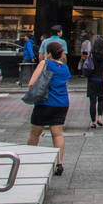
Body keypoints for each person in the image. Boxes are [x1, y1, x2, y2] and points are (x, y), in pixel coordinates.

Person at [27, 43, 70, 175]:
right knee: (57, 133)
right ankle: (59, 163)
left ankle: (29, 159)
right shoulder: (65, 68)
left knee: (35, 133)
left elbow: (31, 83)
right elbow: (65, 84)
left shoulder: (45, 64)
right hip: (62, 103)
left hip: (45, 103)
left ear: (49, 53)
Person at [84, 32, 103, 129]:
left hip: (92, 80)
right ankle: (100, 119)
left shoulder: (91, 54)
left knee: (92, 101)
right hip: (102, 79)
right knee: (101, 99)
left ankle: (93, 121)